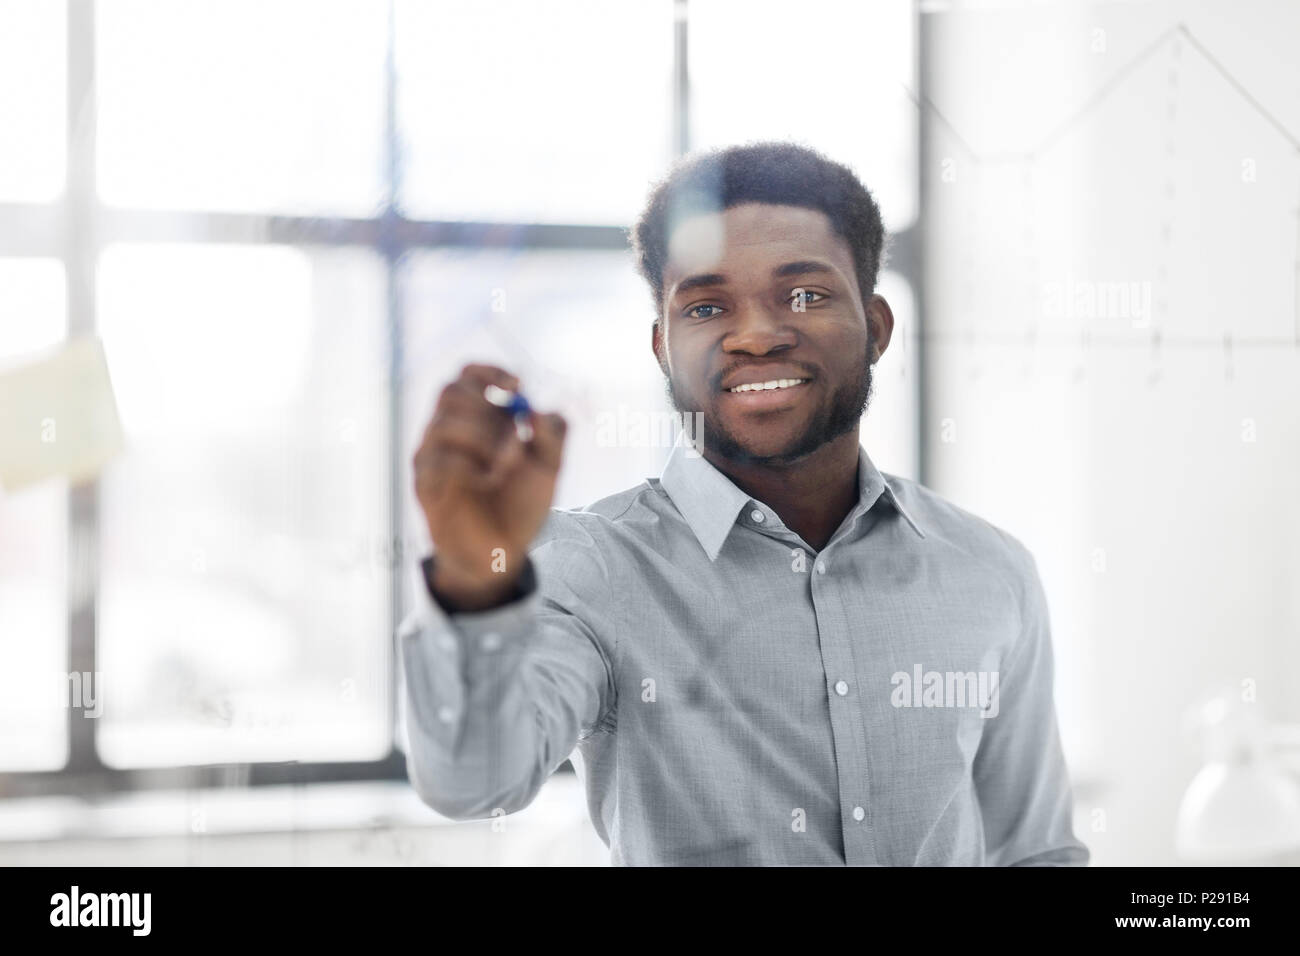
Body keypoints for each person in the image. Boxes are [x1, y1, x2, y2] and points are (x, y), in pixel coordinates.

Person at [401, 141, 1090, 866]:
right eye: (706, 305)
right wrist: (474, 585)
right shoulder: (589, 570)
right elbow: (473, 782)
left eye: (805, 295)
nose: (757, 334)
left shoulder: (989, 570)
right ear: (664, 348)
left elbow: (1035, 852)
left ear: (878, 327)